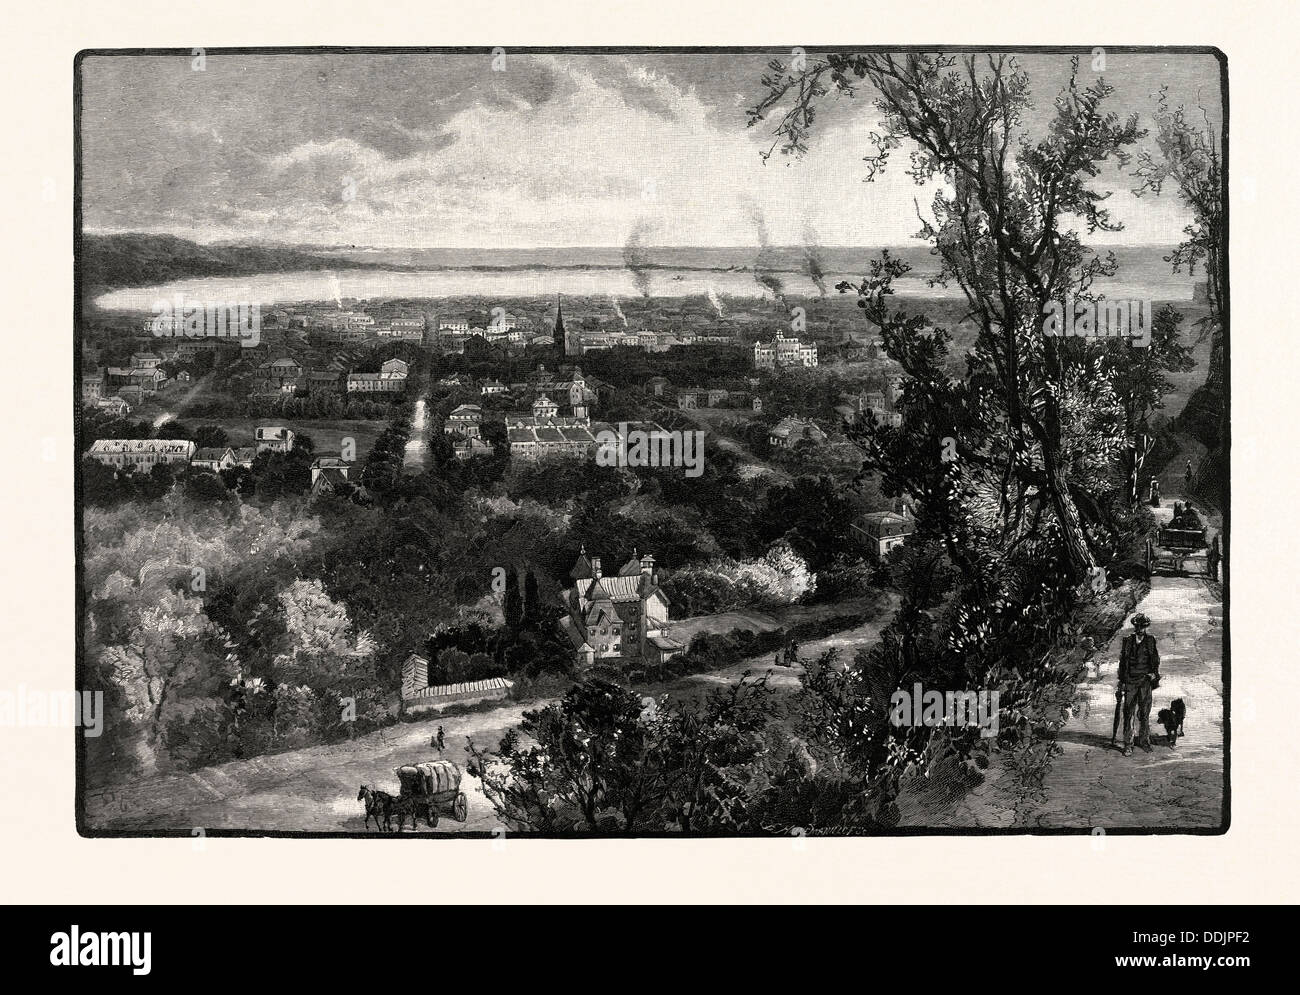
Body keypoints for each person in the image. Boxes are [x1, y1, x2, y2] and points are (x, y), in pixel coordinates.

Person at [1118, 613, 1160, 756]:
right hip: (1130, 681)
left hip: (1145, 682)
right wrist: (1121, 682)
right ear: (1135, 626)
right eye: (1138, 626)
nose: (1140, 629)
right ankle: (1128, 744)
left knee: (1144, 713)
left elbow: (1155, 659)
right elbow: (1123, 662)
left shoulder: (1150, 640)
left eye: (1143, 626)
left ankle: (1144, 741)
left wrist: (1153, 673)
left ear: (1146, 627)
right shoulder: (1127, 640)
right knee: (1128, 713)